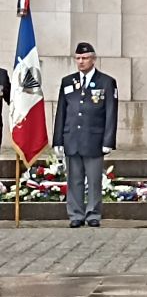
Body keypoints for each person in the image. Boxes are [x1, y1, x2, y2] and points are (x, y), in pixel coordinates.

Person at [52, 42, 118, 228]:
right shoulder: (68, 81)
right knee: (74, 179)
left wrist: (108, 140)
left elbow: (111, 113)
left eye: (85, 58)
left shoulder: (106, 82)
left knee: (94, 179)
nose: (81, 62)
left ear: (93, 59)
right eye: (78, 58)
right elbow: (61, 112)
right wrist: (58, 139)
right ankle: (76, 214)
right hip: (71, 137)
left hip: (94, 139)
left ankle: (93, 213)